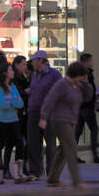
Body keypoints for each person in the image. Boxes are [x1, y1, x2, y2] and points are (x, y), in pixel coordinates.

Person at [41, 61, 89, 188]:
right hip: (59, 120)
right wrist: (44, 117)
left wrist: (86, 83)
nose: (82, 79)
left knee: (63, 150)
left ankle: (52, 179)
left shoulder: (78, 85)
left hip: (71, 120)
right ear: (76, 75)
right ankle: (77, 181)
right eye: (81, 76)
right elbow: (49, 100)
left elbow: (88, 97)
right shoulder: (62, 84)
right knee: (72, 148)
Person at [24, 51, 62, 181]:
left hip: (49, 113)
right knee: (33, 142)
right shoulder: (34, 74)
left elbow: (61, 91)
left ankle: (52, 171)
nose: (32, 63)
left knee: (50, 143)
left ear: (41, 61)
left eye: (34, 60)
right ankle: (35, 171)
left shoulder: (54, 74)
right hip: (34, 112)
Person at [0, 62, 26, 184]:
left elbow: (21, 104)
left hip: (13, 120)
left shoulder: (13, 87)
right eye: (11, 70)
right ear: (5, 73)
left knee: (20, 144)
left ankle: (18, 174)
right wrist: (13, 102)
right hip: (0, 121)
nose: (13, 72)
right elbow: (2, 105)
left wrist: (11, 102)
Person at [75, 52, 99, 163]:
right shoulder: (84, 74)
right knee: (94, 129)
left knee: (78, 131)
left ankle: (73, 154)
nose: (92, 63)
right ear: (86, 62)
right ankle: (95, 154)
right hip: (86, 106)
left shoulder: (81, 73)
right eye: (90, 61)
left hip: (81, 106)